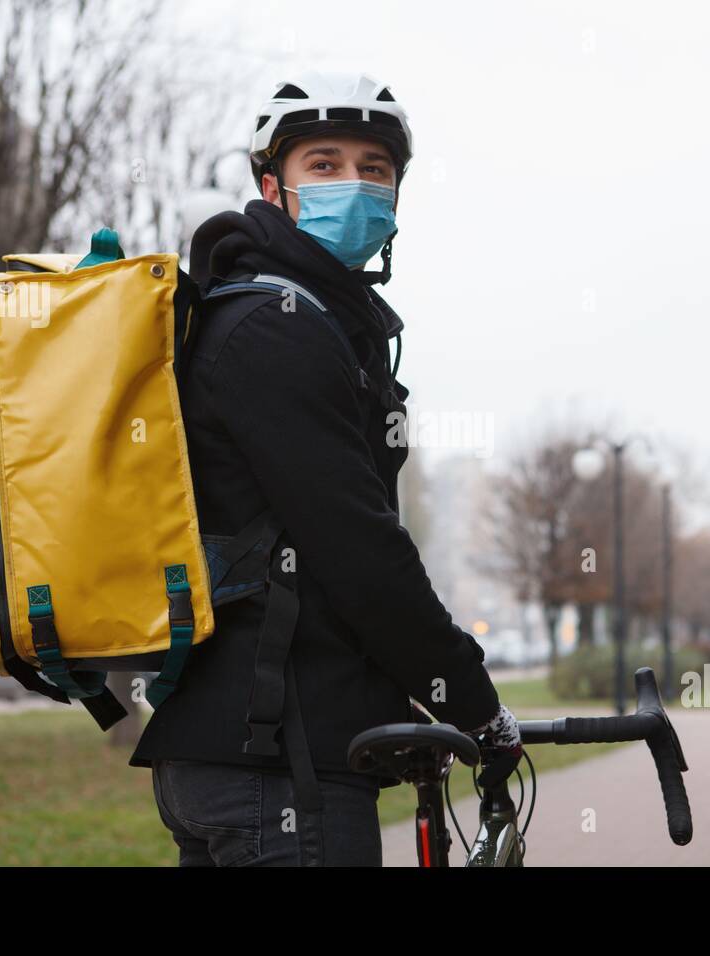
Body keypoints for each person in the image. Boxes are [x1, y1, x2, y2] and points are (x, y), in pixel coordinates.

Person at [129, 71, 522, 867]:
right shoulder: (274, 329)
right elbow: (358, 548)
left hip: (252, 751)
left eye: (374, 169)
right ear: (273, 188)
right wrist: (474, 703)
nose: (354, 184)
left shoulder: (309, 322)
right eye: (325, 164)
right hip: (275, 766)